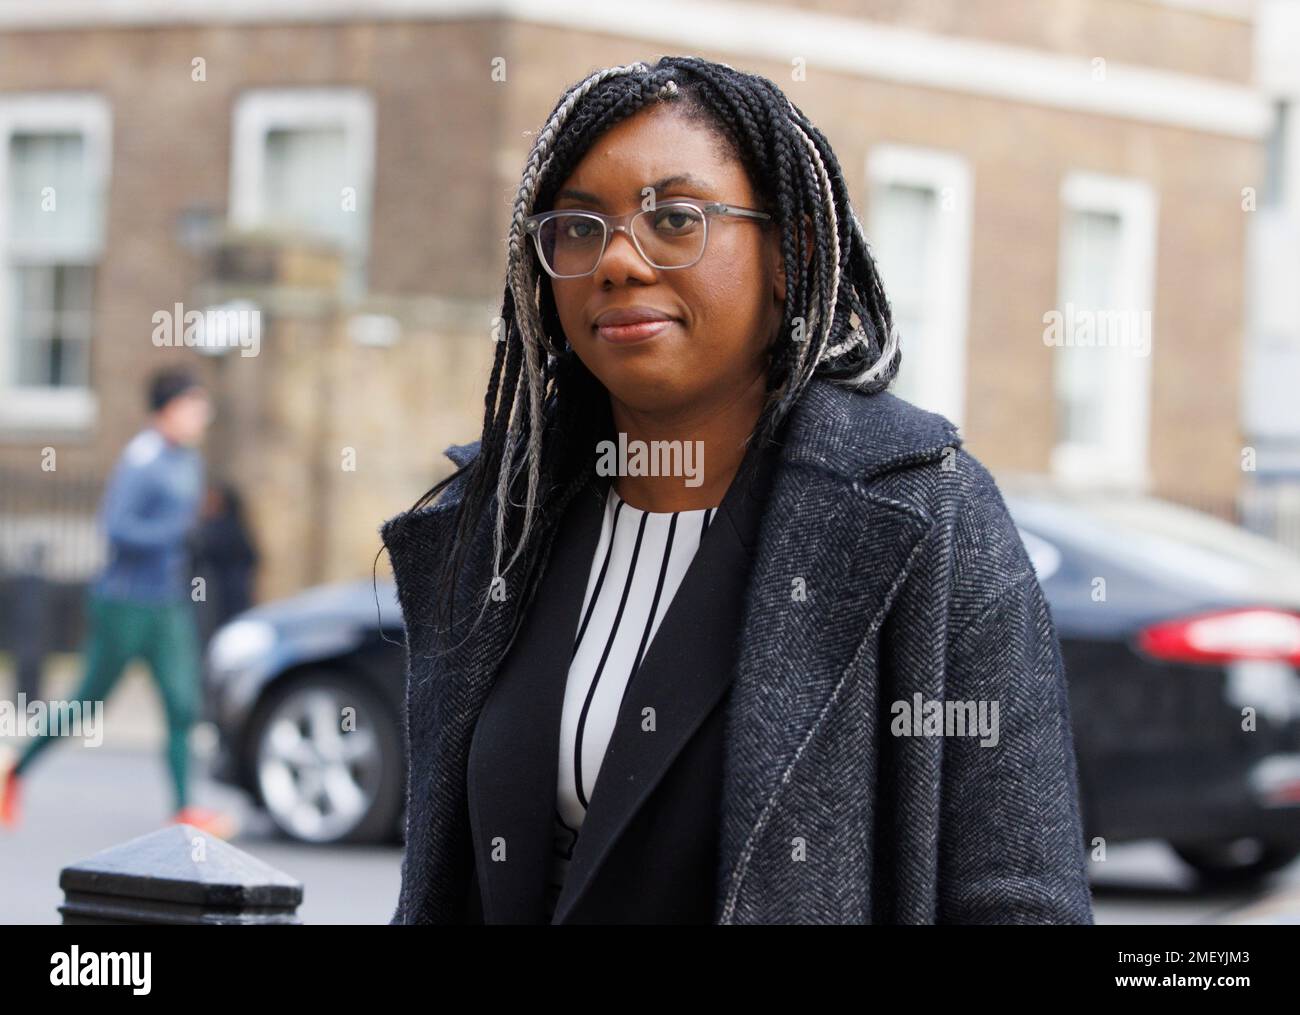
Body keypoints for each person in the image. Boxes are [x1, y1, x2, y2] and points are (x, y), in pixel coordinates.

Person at [379, 57, 1094, 924]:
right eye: (576, 227)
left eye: (675, 219)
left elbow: (1019, 897)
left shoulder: (925, 514)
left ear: (791, 255)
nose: (617, 260)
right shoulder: (501, 520)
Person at [0, 368, 238, 839]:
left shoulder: (189, 461)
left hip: (167, 601)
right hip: (125, 604)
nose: (201, 416)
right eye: (193, 407)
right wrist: (174, 533)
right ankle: (16, 770)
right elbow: (115, 528)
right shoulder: (141, 460)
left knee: (181, 702)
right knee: (87, 702)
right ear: (168, 409)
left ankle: (184, 808)